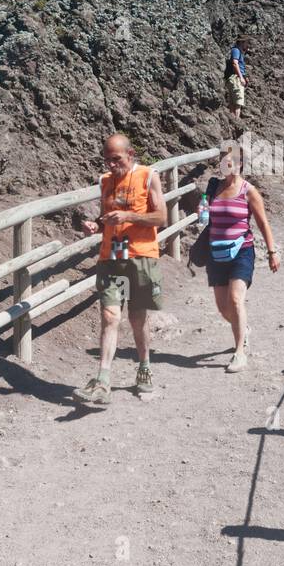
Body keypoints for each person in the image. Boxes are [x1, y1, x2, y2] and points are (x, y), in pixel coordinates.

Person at [74, 134, 168, 407]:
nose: (112, 165)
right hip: (112, 256)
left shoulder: (148, 176)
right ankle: (103, 381)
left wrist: (128, 217)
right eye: (107, 160)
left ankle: (144, 367)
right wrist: (97, 226)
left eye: (116, 159)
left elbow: (161, 217)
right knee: (109, 315)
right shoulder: (105, 181)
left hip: (141, 255)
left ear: (131, 154)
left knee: (137, 318)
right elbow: (107, 217)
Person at [206, 144, 281, 373]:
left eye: (233, 162)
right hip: (216, 253)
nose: (229, 165)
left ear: (240, 165)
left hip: (242, 251)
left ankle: (239, 352)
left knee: (236, 300)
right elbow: (203, 212)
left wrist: (272, 251)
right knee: (223, 308)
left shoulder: (249, 191)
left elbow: (262, 223)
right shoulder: (213, 187)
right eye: (225, 162)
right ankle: (243, 328)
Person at [225, 36, 249, 118]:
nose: (247, 45)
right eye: (246, 42)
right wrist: (241, 77)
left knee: (233, 103)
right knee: (238, 103)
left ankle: (233, 121)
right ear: (242, 43)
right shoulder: (236, 50)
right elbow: (235, 63)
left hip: (233, 78)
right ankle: (236, 121)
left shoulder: (237, 51)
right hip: (236, 78)